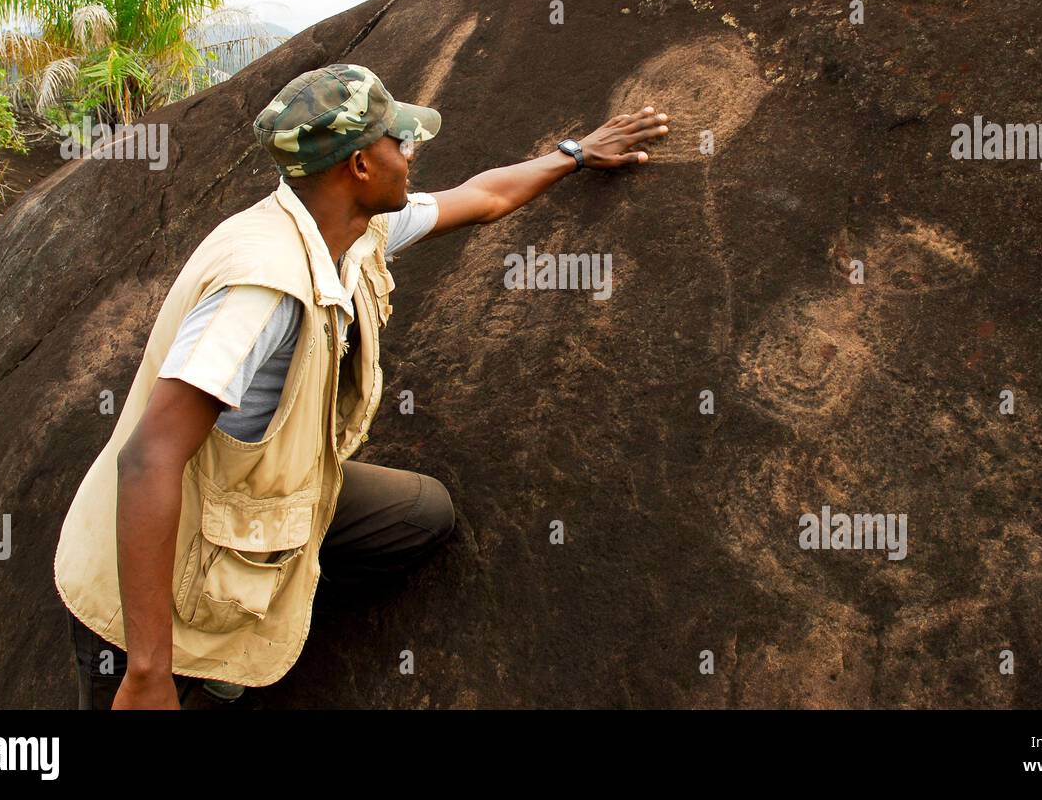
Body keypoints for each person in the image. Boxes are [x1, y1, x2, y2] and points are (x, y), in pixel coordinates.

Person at [53, 63, 670, 709]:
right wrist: (147, 672)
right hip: (163, 562)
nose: (410, 154)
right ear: (357, 166)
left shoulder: (350, 228)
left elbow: (483, 198)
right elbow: (149, 458)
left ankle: (254, 619)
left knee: (416, 515)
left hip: (263, 499)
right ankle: (191, 665)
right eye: (396, 142)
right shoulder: (262, 285)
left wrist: (574, 155)